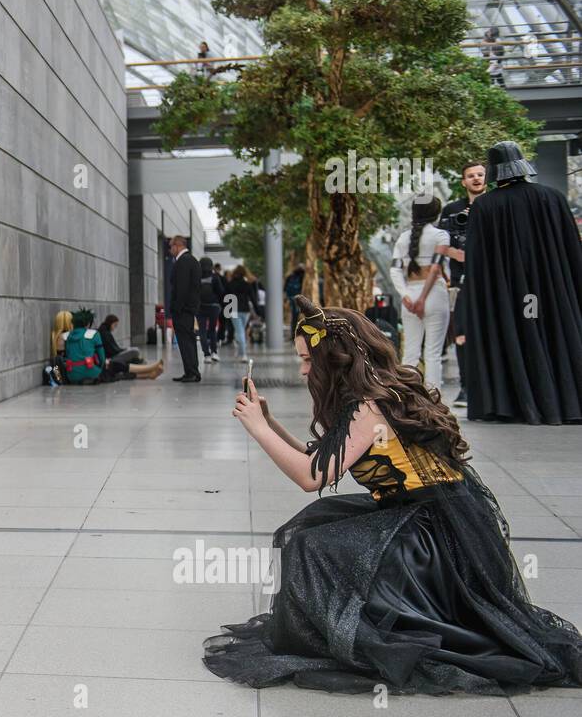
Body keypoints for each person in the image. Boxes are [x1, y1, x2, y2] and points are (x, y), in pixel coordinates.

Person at [203, 295, 582, 694]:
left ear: (337, 359)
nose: (302, 370)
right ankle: (349, 627)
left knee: (310, 543)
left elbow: (310, 479)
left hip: (435, 535)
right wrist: (270, 422)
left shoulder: (369, 407)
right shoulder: (371, 395)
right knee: (316, 531)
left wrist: (256, 429)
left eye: (308, 360)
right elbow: (320, 459)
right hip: (426, 514)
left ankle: (359, 635)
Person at [463, 141, 582, 424]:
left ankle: (516, 404)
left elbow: (477, 262)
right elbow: (572, 250)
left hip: (509, 295)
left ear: (493, 171)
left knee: (516, 337)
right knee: (555, 334)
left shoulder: (484, 206)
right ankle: (566, 404)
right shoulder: (552, 198)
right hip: (551, 290)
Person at [435, 161, 487, 407]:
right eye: (471, 175)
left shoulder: (495, 204)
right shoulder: (452, 209)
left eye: (480, 174)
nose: (476, 179)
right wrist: (455, 254)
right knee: (462, 334)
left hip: (492, 281)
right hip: (461, 282)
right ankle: (467, 387)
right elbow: (439, 243)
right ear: (463, 181)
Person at [391, 195, 450, 390]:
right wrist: (423, 298)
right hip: (435, 296)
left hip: (409, 295)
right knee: (433, 353)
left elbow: (395, 269)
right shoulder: (441, 236)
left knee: (410, 352)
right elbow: (435, 269)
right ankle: (434, 398)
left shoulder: (402, 238)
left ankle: (405, 396)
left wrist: (406, 296)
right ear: (435, 213)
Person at [167, 236, 201, 382]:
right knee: (188, 340)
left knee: (185, 340)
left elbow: (182, 288)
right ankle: (190, 371)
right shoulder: (191, 260)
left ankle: (192, 372)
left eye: (171, 247)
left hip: (183, 309)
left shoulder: (183, 261)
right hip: (188, 308)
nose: (170, 250)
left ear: (177, 245)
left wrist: (177, 308)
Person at [98, 314, 164, 380]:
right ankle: (150, 370)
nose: (115, 328)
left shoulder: (104, 332)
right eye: (115, 325)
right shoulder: (105, 333)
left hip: (110, 362)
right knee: (134, 353)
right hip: (110, 360)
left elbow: (112, 348)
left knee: (136, 360)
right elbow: (112, 350)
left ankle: (150, 372)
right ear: (111, 323)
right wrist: (123, 350)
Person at [224, 264, 259, 360]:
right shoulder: (247, 284)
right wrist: (258, 311)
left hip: (233, 309)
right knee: (241, 331)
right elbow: (253, 298)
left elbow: (226, 298)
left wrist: (226, 312)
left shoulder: (230, 284)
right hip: (245, 310)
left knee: (239, 332)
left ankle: (243, 354)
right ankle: (240, 353)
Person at [197, 256, 224, 364]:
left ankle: (206, 355)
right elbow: (221, 292)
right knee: (212, 330)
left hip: (200, 307)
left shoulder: (196, 277)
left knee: (202, 331)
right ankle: (214, 353)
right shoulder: (215, 277)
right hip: (213, 306)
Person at [283, 266, 305, 337]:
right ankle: (297, 334)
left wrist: (285, 299)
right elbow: (302, 288)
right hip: (299, 299)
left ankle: (293, 334)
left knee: (294, 317)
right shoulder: (302, 277)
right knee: (298, 317)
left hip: (291, 299)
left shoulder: (290, 277)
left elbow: (285, 289)